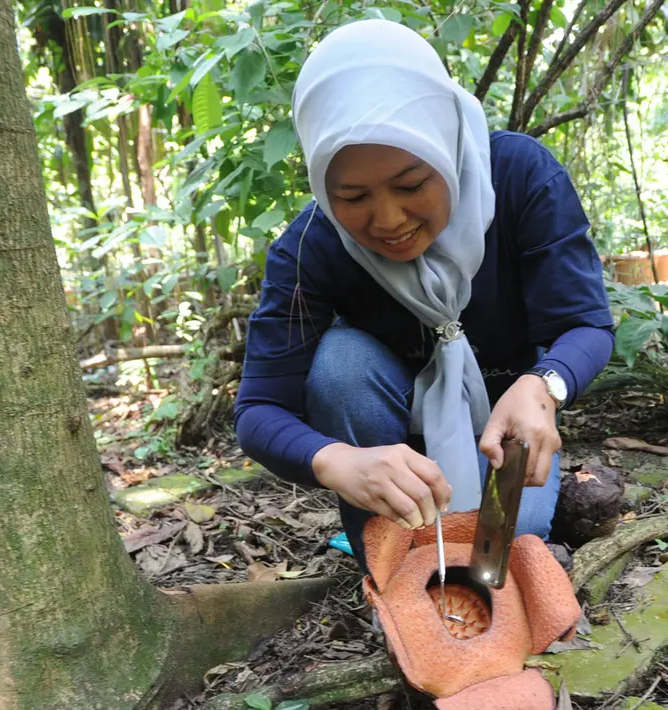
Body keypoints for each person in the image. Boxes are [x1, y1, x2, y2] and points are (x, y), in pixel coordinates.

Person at [233, 18, 615, 573]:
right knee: (340, 364)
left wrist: (544, 385)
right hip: (385, 438)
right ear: (322, 185)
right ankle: (389, 555)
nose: (388, 220)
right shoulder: (311, 246)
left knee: (502, 550)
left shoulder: (517, 177)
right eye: (353, 196)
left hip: (503, 425)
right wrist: (336, 460)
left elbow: (586, 325)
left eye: (412, 184)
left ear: (447, 145)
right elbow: (259, 409)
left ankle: (464, 540)